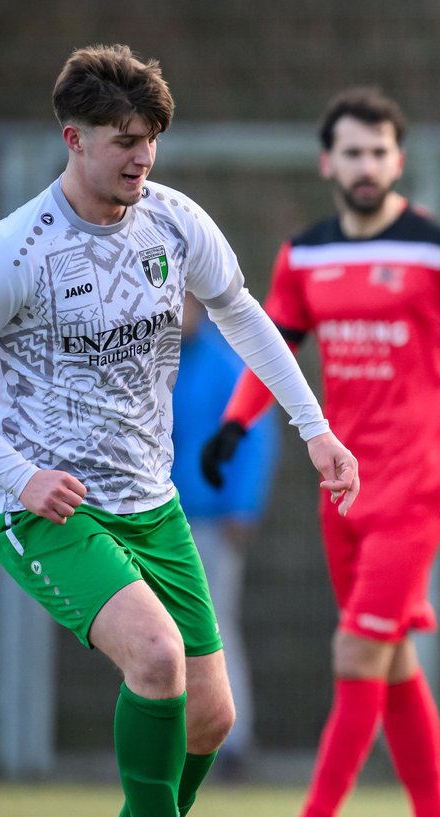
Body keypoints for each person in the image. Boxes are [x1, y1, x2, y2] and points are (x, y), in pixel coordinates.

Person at [0, 45, 360, 817]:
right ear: (72, 140)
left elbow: (242, 314)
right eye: (123, 141)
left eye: (150, 140)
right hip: (48, 511)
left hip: (151, 503)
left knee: (212, 714)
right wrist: (19, 472)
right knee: (155, 659)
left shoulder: (174, 224)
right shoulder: (13, 253)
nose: (141, 158)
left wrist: (313, 427)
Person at [211, 87, 440, 817]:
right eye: (351, 153)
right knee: (390, 661)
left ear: (399, 160)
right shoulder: (303, 256)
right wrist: (236, 423)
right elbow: (277, 348)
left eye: (379, 152)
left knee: (357, 650)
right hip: (341, 493)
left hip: (417, 491)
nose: (365, 166)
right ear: (329, 162)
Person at [169, 297, 276, 778]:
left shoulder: (224, 362)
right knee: (154, 636)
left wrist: (242, 504)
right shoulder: (150, 361)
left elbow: (254, 435)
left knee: (214, 627)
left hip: (211, 520)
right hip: (155, 518)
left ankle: (233, 741)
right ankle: (169, 738)